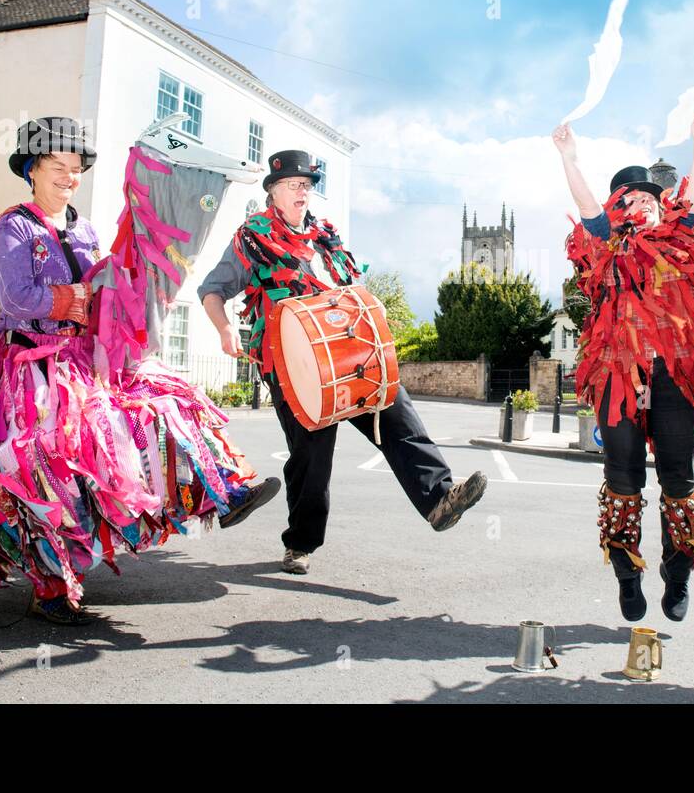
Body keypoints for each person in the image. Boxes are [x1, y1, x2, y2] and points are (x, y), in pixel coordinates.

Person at [0, 117, 278, 625]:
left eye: (76, 168)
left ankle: (221, 491)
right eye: (57, 165)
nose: (69, 176)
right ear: (31, 169)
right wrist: (83, 295)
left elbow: (105, 286)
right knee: (50, 464)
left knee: (166, 401)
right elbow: (17, 298)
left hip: (87, 360)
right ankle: (52, 585)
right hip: (32, 370)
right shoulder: (14, 227)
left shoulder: (85, 228)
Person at [198, 149, 488, 575]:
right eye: (293, 185)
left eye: (306, 185)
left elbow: (351, 289)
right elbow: (212, 290)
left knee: (397, 414)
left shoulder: (325, 236)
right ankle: (300, 544)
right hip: (292, 364)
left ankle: (440, 500)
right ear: (273, 191)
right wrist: (225, 328)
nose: (302, 192)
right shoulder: (252, 237)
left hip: (348, 353)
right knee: (311, 456)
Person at [555, 113, 694, 623]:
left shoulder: (681, 239)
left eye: (645, 198)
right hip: (619, 375)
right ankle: (626, 572)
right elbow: (587, 208)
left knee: (678, 478)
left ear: (661, 206)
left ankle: (677, 574)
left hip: (676, 377)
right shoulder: (605, 246)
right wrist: (570, 158)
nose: (636, 204)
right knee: (622, 475)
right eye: (625, 200)